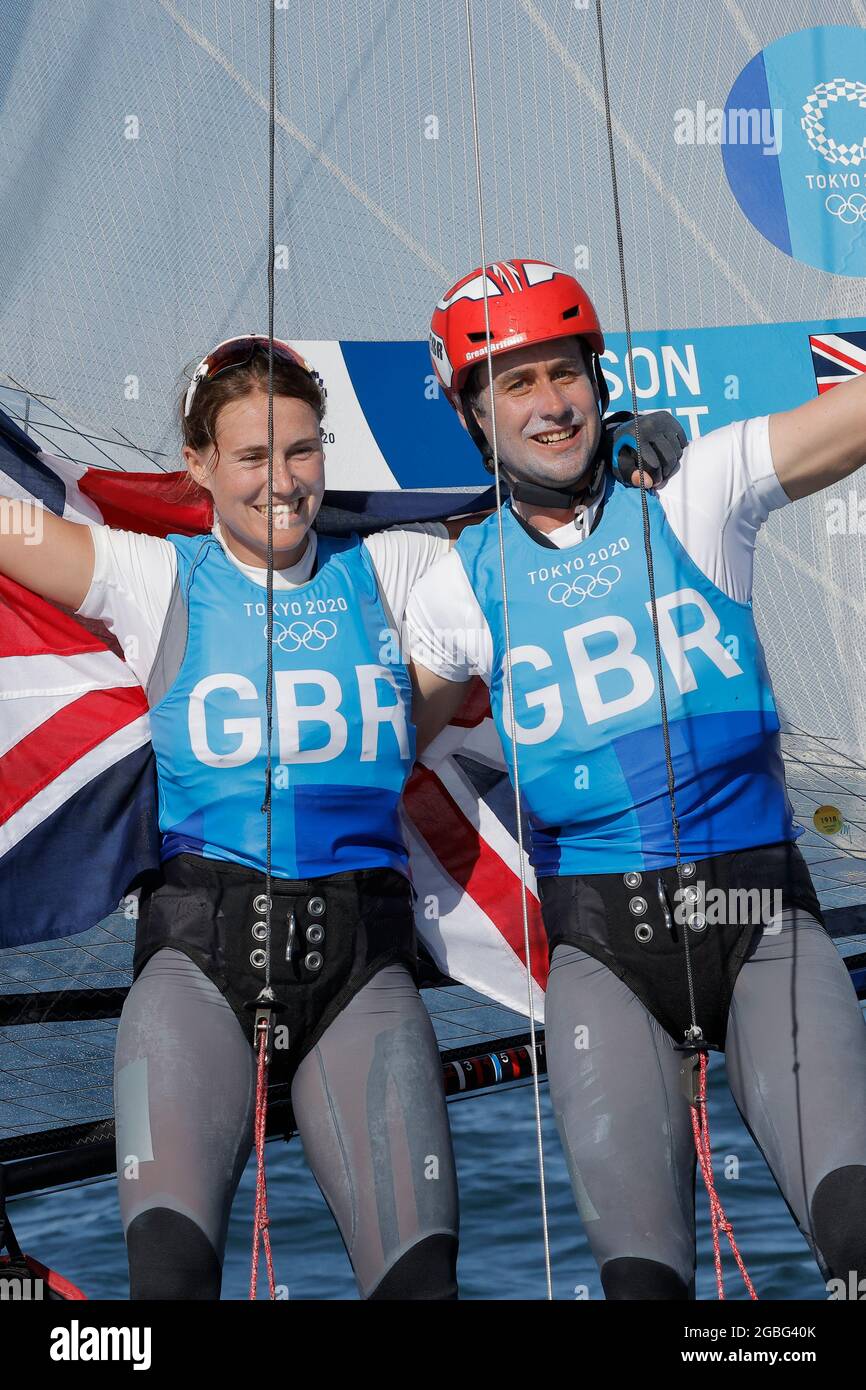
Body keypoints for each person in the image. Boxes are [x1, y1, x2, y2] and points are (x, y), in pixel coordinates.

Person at [407, 258, 866, 1299]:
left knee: (858, 1240)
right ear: (473, 415)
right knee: (642, 1289)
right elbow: (361, 743)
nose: (548, 403)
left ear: (597, 376)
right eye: (512, 383)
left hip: (759, 917)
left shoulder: (696, 488)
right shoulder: (451, 586)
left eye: (561, 371)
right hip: (602, 953)